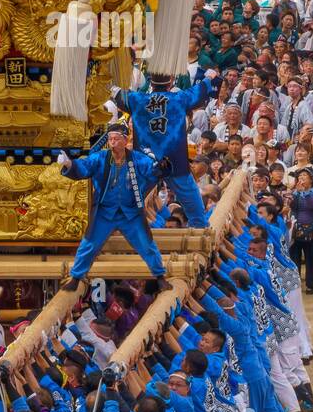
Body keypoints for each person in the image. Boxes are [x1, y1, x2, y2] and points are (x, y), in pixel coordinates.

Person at [57, 124, 170, 291]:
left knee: (146, 243)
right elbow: (84, 166)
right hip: (105, 211)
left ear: (125, 140)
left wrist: (161, 167)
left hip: (130, 211)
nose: (113, 142)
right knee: (89, 244)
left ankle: (160, 276)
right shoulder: (100, 158)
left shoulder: (137, 159)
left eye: (116, 139)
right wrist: (69, 164)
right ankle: (75, 277)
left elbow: (152, 171)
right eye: (110, 139)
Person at [112, 70, 219, 227]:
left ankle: (114, 226)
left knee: (127, 200)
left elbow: (116, 92)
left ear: (151, 83)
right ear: (171, 83)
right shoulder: (179, 98)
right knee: (194, 207)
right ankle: (201, 229)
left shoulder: (137, 99)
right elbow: (200, 89)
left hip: (145, 160)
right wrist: (209, 76)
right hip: (174, 159)